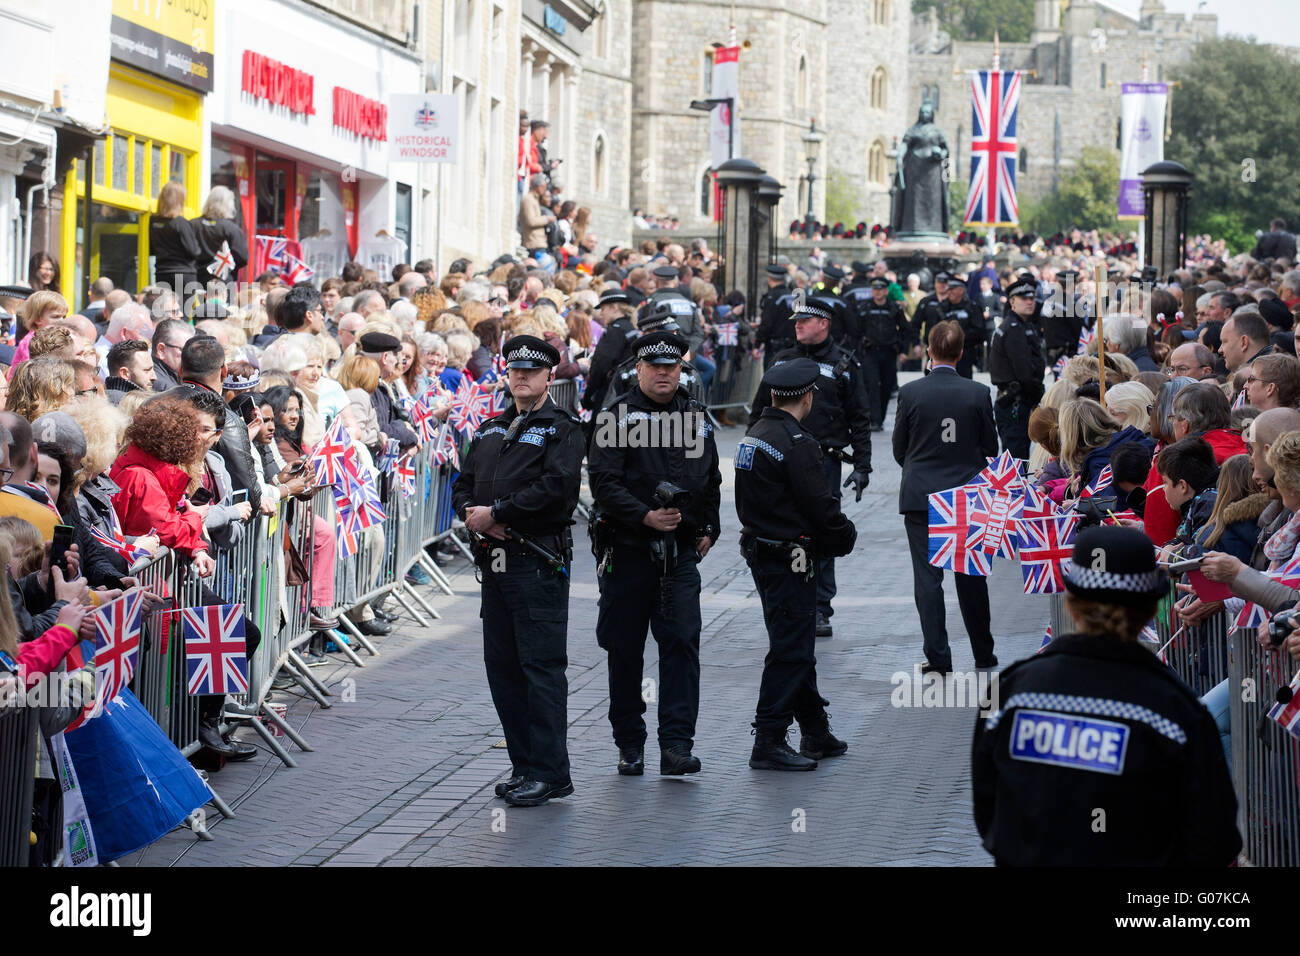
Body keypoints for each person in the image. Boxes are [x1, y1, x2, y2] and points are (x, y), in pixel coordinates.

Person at [972, 525, 1241, 866]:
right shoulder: (1177, 712)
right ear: (1149, 610)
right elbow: (1213, 839)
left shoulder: (1010, 694)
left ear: (1072, 604)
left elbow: (989, 811)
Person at [451, 335, 585, 808]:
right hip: (496, 563)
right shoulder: (491, 426)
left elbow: (558, 487)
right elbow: (463, 483)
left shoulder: (561, 427)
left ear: (550, 375)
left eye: (533, 371)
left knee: (541, 670)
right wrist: (473, 511)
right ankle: (524, 765)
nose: (522, 378)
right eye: (515, 371)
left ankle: (551, 772)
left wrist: (501, 512)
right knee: (504, 670)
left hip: (537, 560)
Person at [587, 330, 721, 777]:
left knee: (682, 643)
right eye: (655, 366)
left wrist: (709, 526)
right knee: (624, 651)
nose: (664, 373)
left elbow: (711, 476)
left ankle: (677, 746)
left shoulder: (695, 414)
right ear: (638, 369)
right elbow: (604, 485)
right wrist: (645, 516)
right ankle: (630, 744)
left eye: (672, 366)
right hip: (628, 551)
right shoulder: (616, 415)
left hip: (679, 554)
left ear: (682, 369)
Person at [735, 357, 857, 770]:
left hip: (762, 551)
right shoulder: (797, 442)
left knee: (794, 642)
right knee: (791, 651)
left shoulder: (755, 435)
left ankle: (815, 730)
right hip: (791, 557)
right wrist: (844, 536)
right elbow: (820, 506)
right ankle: (768, 738)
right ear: (807, 398)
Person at [749, 300, 872, 638]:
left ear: (824, 323)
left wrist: (862, 465)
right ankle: (787, 600)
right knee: (781, 530)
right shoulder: (783, 360)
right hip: (779, 461)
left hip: (824, 461)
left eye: (805, 320)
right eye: (796, 320)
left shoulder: (844, 364)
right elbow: (759, 409)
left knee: (822, 532)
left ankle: (819, 607)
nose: (797, 325)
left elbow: (860, 416)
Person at [894, 320, 999, 675]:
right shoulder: (977, 392)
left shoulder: (911, 392)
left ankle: (938, 657)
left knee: (927, 579)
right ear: (960, 353)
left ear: (929, 350)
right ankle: (983, 653)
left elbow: (899, 448)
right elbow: (990, 447)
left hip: (922, 495)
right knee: (971, 577)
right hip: (966, 495)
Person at [987, 275, 1046, 459]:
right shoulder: (1013, 328)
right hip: (1015, 402)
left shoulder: (1022, 325)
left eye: (1031, 298)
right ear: (1012, 302)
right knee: (1017, 461)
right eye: (1024, 299)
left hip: (1018, 401)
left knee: (1018, 456)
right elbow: (1024, 372)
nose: (1030, 302)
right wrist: (1038, 394)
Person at [853, 276, 910, 430]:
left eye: (880, 289)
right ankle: (874, 420)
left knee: (886, 386)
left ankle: (880, 417)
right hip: (870, 352)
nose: (877, 292)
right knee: (872, 384)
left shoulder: (894, 308)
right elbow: (856, 332)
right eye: (875, 289)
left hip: (889, 352)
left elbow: (905, 330)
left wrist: (904, 351)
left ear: (885, 291)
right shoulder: (864, 308)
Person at [149, 181, 201, 303]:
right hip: (183, 273)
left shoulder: (153, 221)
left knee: (164, 311)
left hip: (162, 272)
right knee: (182, 313)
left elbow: (151, 248)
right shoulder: (180, 223)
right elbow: (194, 250)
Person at [192, 186, 249, 291]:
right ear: (228, 205)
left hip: (196, 279)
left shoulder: (193, 225)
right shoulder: (231, 229)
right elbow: (243, 257)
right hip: (223, 280)